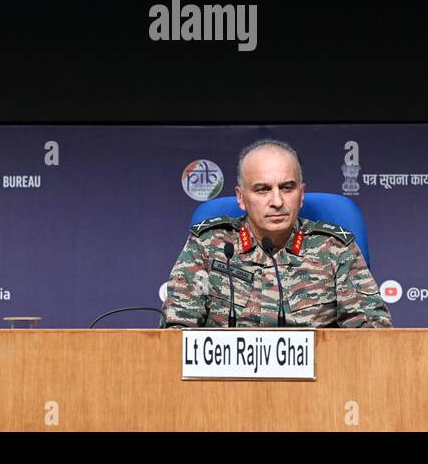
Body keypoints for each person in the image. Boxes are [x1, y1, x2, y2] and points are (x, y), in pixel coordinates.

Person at [161, 139, 391, 328]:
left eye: (287, 188)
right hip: (225, 383)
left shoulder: (336, 249)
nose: (277, 201)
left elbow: (372, 336)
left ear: (301, 194)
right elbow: (175, 332)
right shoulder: (208, 245)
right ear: (241, 198)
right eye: (263, 189)